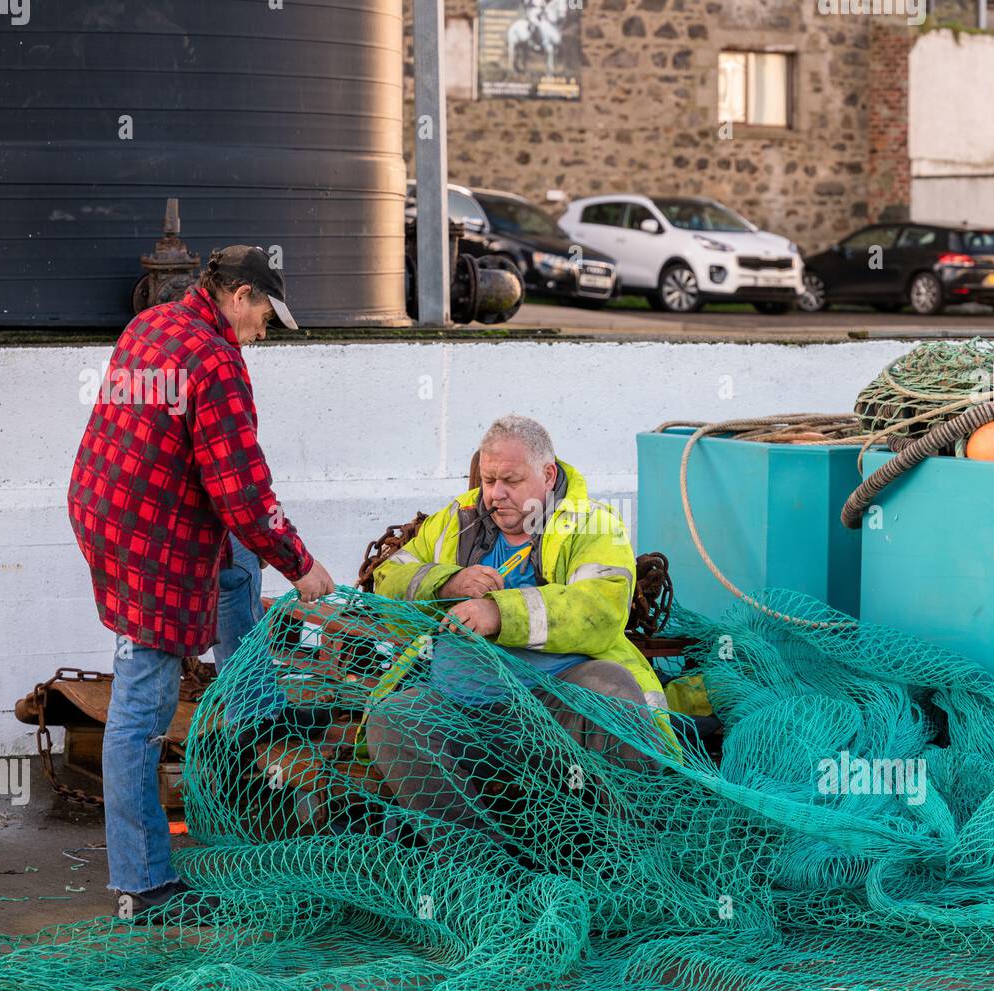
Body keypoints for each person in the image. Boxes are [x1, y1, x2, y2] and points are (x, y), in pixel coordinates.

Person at [68, 245, 335, 917]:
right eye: (267, 315)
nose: (267, 330)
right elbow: (242, 491)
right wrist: (301, 565)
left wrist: (265, 547)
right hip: (150, 545)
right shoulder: (216, 361)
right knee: (142, 704)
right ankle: (145, 882)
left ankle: (251, 704)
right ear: (239, 296)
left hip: (105, 511)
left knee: (239, 563)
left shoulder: (153, 324)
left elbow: (207, 478)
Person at [365, 414, 666, 845]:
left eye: (510, 480)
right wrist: (447, 582)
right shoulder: (458, 519)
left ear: (547, 475)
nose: (495, 494)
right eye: (489, 480)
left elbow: (599, 610)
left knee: (612, 690)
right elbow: (388, 579)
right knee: (395, 721)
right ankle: (477, 869)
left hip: (553, 706)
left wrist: (501, 614)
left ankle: (634, 854)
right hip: (460, 708)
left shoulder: (592, 524)